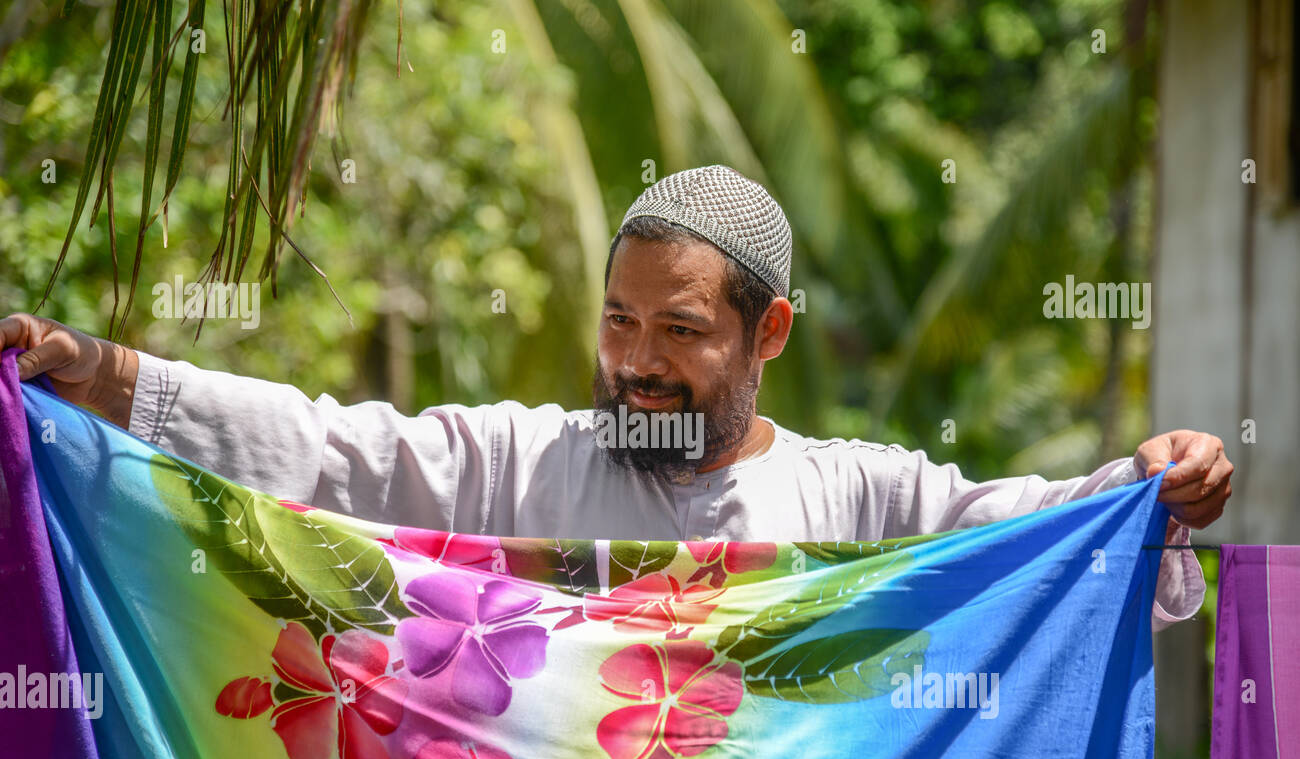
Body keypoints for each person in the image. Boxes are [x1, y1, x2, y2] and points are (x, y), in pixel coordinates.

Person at [3, 165, 1231, 628]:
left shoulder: (862, 493)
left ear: (771, 334)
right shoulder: (515, 462)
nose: (635, 359)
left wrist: (1147, 488)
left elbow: (1035, 534)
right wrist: (101, 374)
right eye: (617, 320)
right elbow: (327, 452)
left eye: (680, 331)